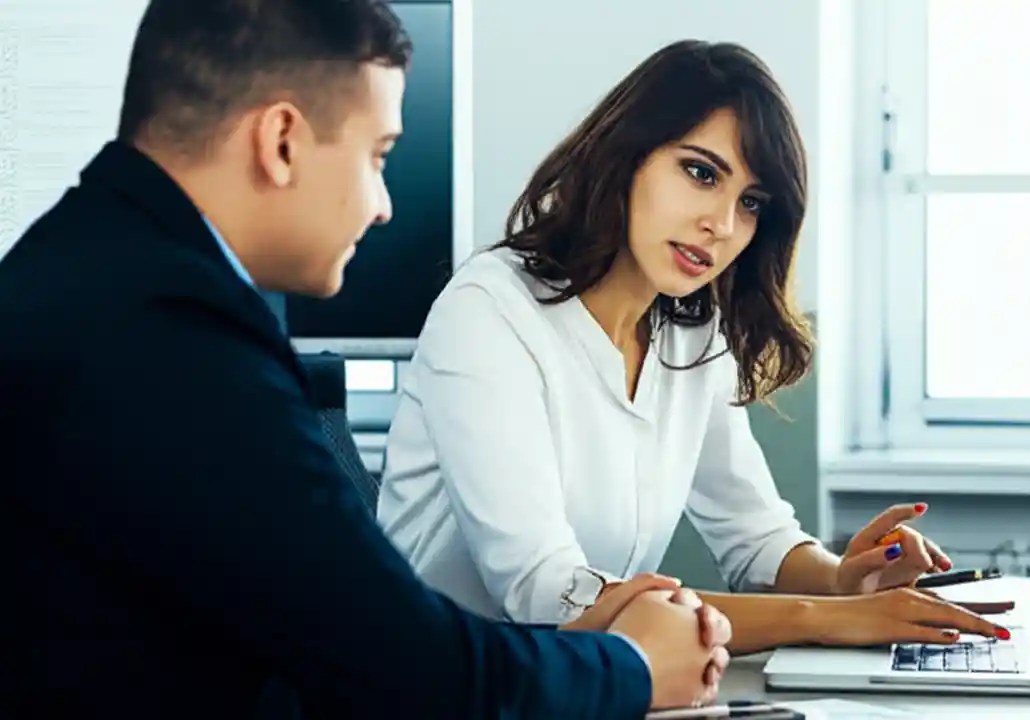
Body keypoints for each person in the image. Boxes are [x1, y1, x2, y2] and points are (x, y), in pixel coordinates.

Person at [0, 2, 731, 717]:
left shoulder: (79, 267)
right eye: (378, 156)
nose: (383, 204)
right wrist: (634, 664)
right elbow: (416, 671)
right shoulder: (177, 339)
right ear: (281, 140)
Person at [376, 39, 1013, 655]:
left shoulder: (689, 330)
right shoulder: (488, 313)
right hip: (445, 689)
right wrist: (831, 619)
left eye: (752, 202)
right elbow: (549, 594)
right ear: (626, 155)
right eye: (701, 172)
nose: (724, 224)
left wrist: (845, 580)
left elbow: (758, 540)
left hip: (586, 689)